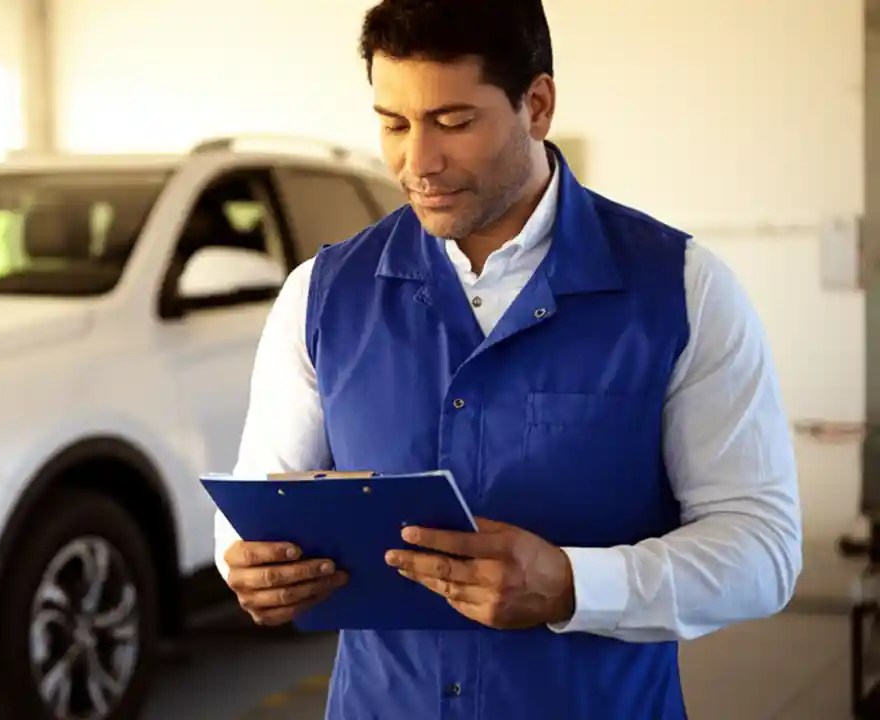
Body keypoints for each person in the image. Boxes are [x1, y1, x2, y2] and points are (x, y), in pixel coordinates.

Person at [213, 0, 803, 717]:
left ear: (539, 104)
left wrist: (571, 583)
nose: (418, 162)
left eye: (454, 123)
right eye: (394, 124)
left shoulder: (681, 288)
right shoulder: (320, 295)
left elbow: (763, 554)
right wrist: (247, 567)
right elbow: (253, 506)